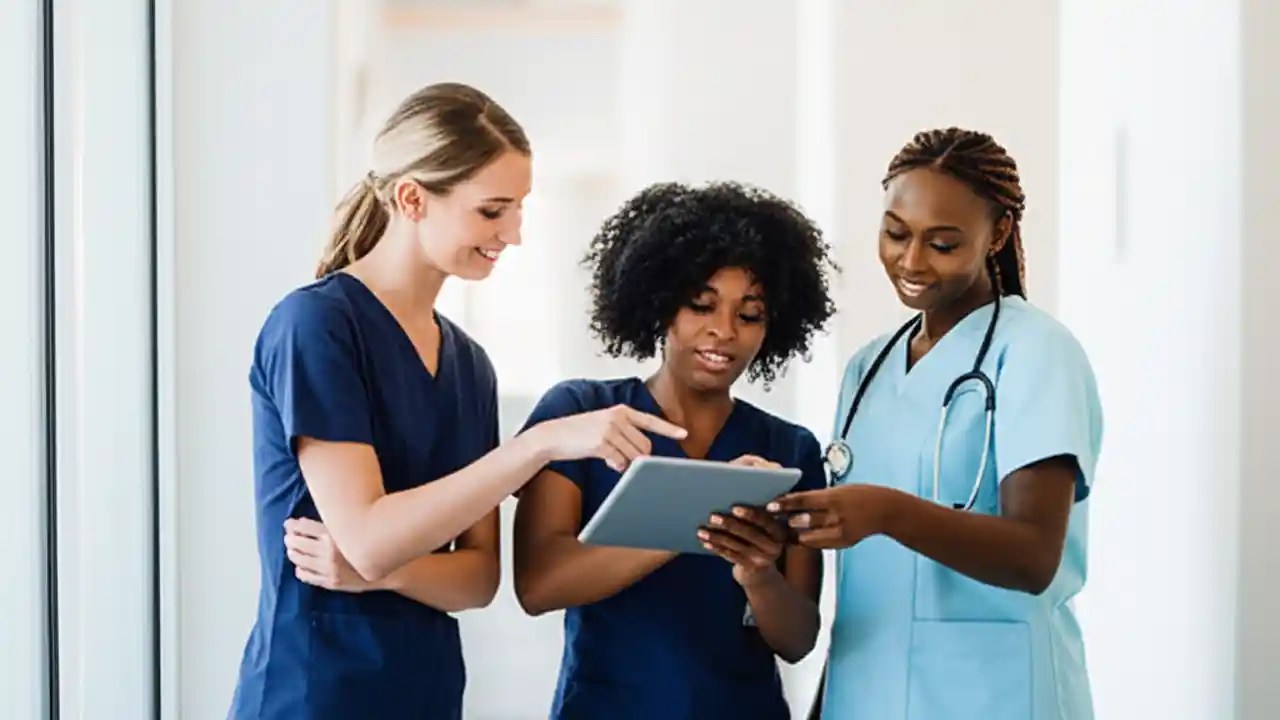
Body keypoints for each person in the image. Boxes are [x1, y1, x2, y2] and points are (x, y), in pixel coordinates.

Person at [228, 82, 685, 720]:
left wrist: (379, 574)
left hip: (427, 693)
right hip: (314, 694)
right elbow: (367, 535)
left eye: (520, 209)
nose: (513, 234)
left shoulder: (469, 365)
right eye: (493, 210)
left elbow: (477, 578)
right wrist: (542, 444)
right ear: (413, 198)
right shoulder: (317, 326)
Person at [768, 127, 1104, 720]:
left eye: (943, 244)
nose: (911, 261)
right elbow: (866, 586)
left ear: (997, 234)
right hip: (864, 697)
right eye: (895, 233)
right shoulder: (868, 368)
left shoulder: (1035, 352)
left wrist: (885, 511)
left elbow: (1033, 556)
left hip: (990, 696)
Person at [513, 181, 839, 719]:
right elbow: (539, 585)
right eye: (700, 305)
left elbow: (798, 638)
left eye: (749, 314)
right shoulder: (582, 415)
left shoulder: (789, 449)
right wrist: (697, 517)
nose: (723, 332)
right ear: (660, 303)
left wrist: (758, 571)